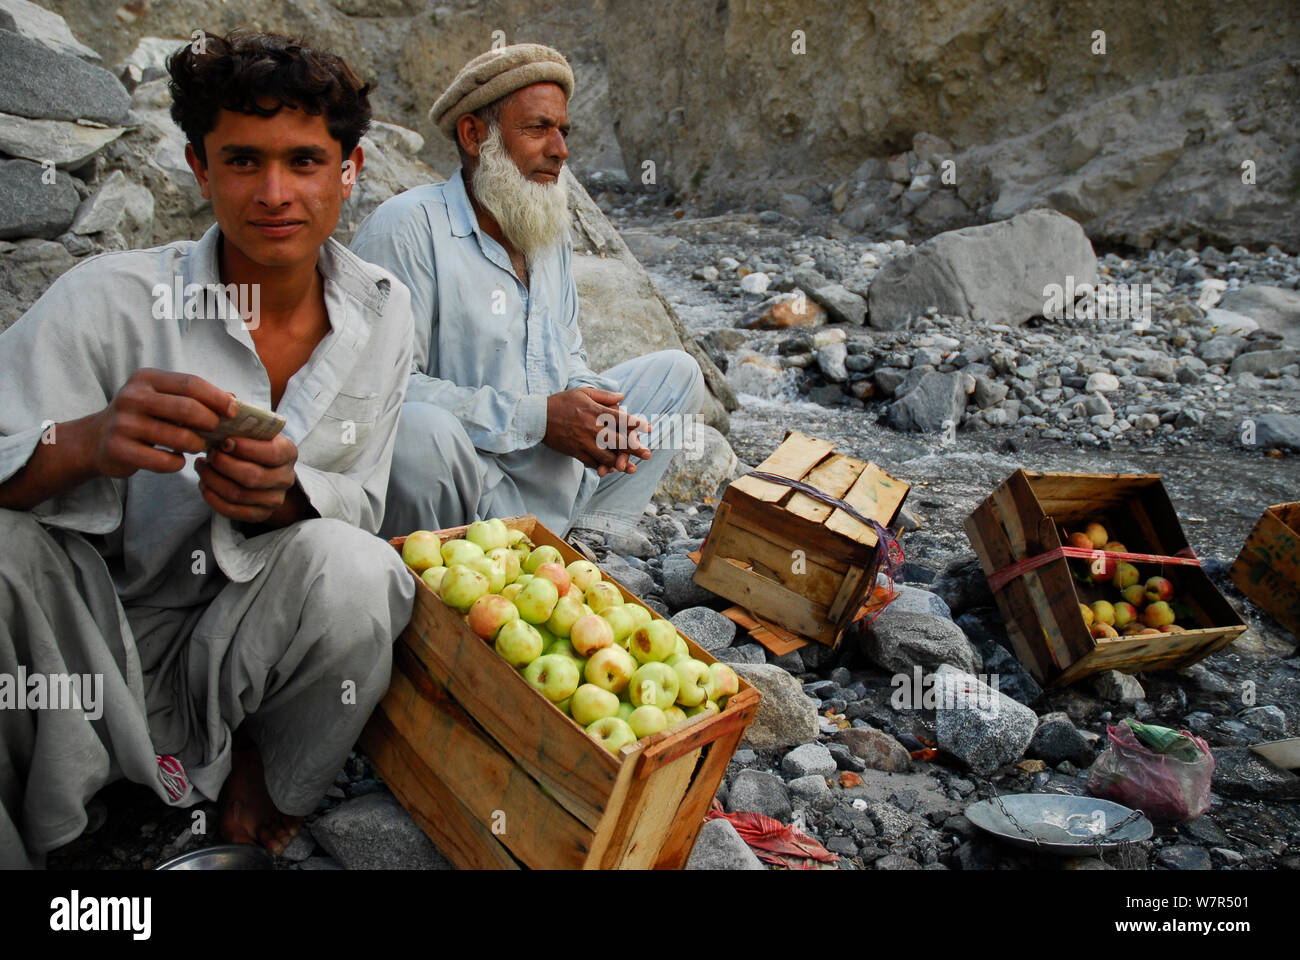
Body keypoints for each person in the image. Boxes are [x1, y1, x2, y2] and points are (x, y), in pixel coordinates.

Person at [0, 32, 416, 868]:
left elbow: (363, 501)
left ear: (350, 170)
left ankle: (262, 769)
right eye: (241, 162)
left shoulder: (384, 311)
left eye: (304, 161)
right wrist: (83, 441)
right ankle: (73, 827)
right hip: (88, 638)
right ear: (199, 169)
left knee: (362, 569)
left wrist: (287, 496)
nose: (274, 194)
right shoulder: (107, 301)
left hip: (245, 637)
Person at [350, 43, 707, 546]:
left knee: (678, 374)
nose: (560, 149)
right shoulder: (407, 228)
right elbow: (382, 394)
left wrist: (597, 413)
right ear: (475, 135)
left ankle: (591, 544)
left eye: (564, 131)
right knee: (416, 431)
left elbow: (570, 352)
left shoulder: (545, 229)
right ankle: (446, 570)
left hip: (558, 477)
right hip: (469, 492)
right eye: (538, 129)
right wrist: (539, 419)